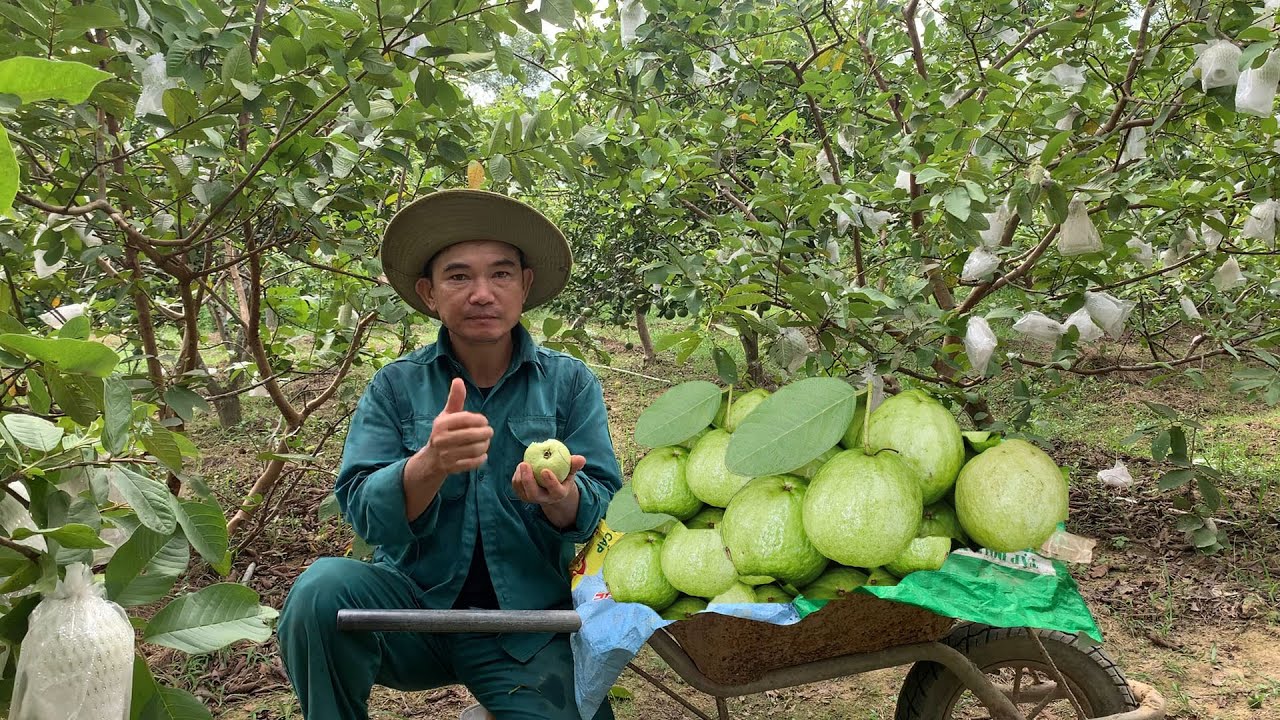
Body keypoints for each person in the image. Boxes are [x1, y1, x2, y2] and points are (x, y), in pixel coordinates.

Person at [277, 189, 622, 720]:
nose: (482, 293)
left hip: (527, 627)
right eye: (459, 276)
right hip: (411, 614)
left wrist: (562, 499)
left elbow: (599, 503)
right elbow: (362, 509)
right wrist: (429, 463)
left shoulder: (569, 383)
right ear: (429, 293)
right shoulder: (395, 387)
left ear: (525, 286)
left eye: (501, 274)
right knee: (320, 592)